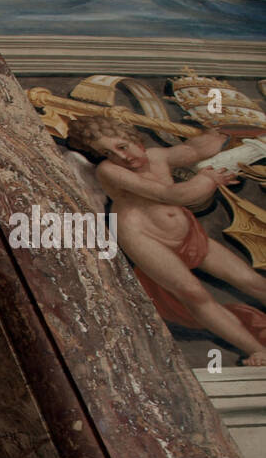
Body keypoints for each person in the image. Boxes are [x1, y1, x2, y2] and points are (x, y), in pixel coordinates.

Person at [69, 114, 266, 366]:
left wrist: (223, 132)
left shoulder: (157, 156)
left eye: (122, 147)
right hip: (144, 237)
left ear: (133, 139)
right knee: (194, 294)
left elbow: (194, 150)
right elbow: (171, 195)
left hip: (187, 233)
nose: (122, 157)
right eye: (107, 152)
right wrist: (207, 179)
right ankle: (256, 350)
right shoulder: (110, 171)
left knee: (250, 280)